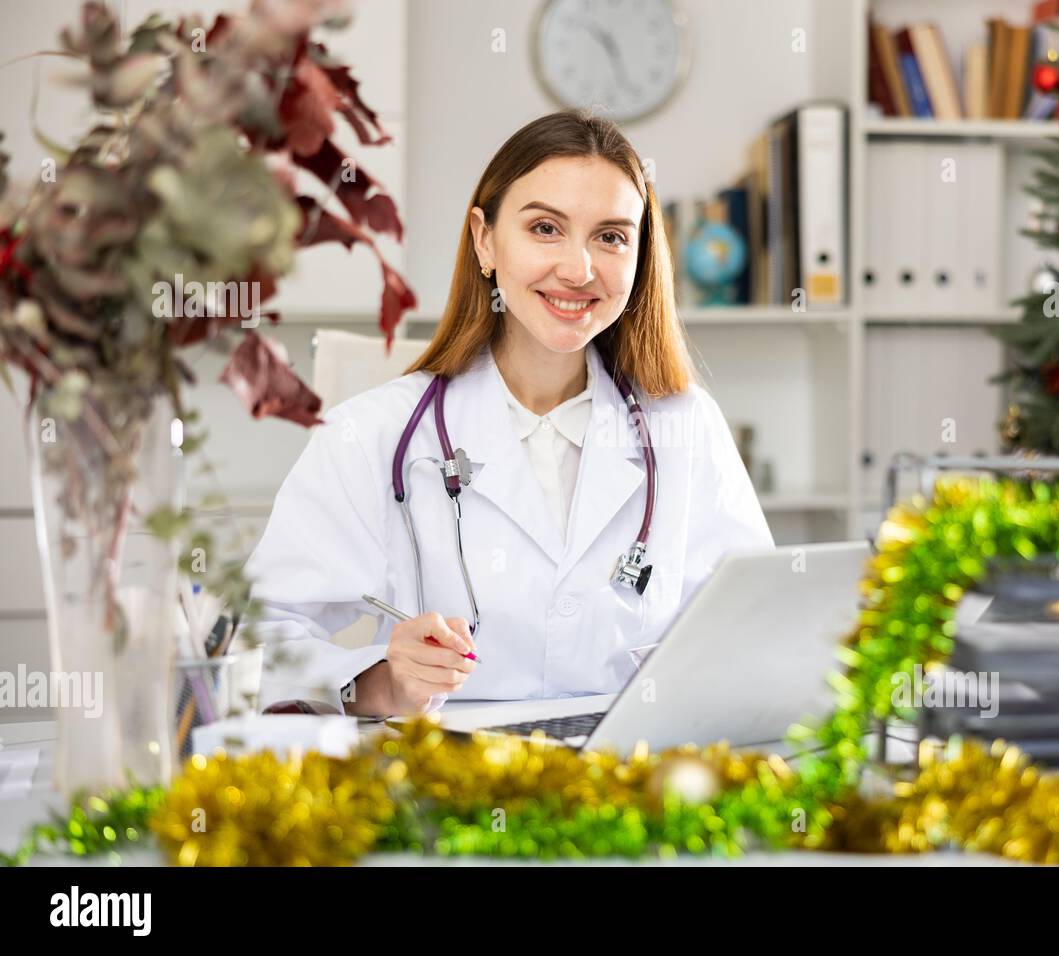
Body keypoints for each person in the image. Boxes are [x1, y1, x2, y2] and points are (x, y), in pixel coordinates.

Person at [244, 109, 773, 717]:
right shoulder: (373, 435)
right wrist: (382, 681)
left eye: (611, 236)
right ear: (485, 240)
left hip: (630, 785)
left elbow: (755, 626)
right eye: (545, 228)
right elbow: (255, 640)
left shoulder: (683, 425)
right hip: (449, 790)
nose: (579, 270)